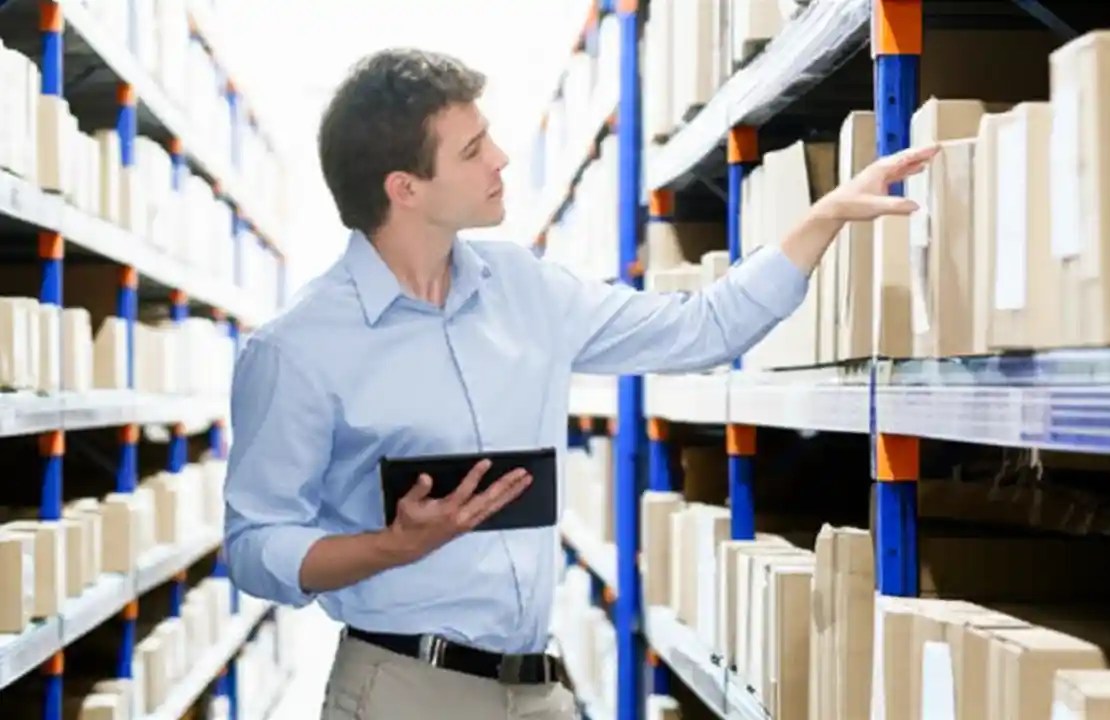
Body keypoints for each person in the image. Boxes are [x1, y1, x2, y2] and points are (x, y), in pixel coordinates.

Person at [223, 48, 936, 719]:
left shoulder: (525, 289)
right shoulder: (298, 350)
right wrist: (394, 546)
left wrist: (822, 218)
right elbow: (255, 545)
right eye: (472, 151)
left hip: (537, 690)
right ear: (404, 188)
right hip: (402, 692)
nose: (500, 159)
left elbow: (701, 330)